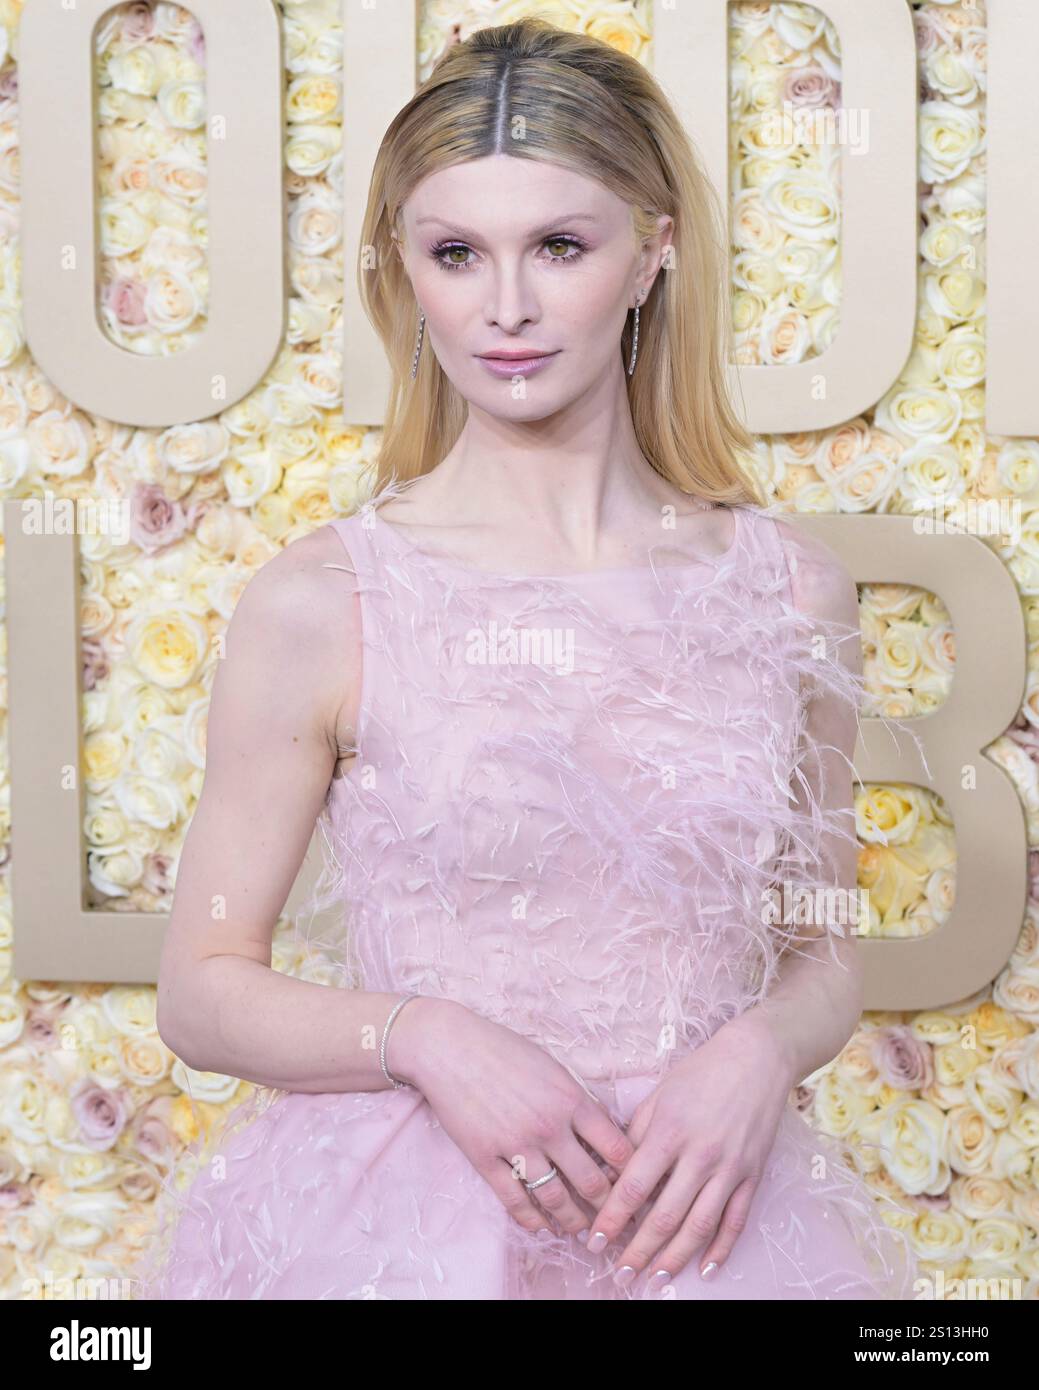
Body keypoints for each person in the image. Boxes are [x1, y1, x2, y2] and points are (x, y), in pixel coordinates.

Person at [130, 17, 922, 1300]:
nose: (504, 306)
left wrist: (762, 1050)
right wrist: (426, 1038)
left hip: (706, 1220)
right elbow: (203, 990)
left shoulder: (784, 588)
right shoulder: (325, 599)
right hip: (401, 1228)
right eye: (456, 253)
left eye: (558, 245)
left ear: (650, 253)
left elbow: (819, 940)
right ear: (406, 268)